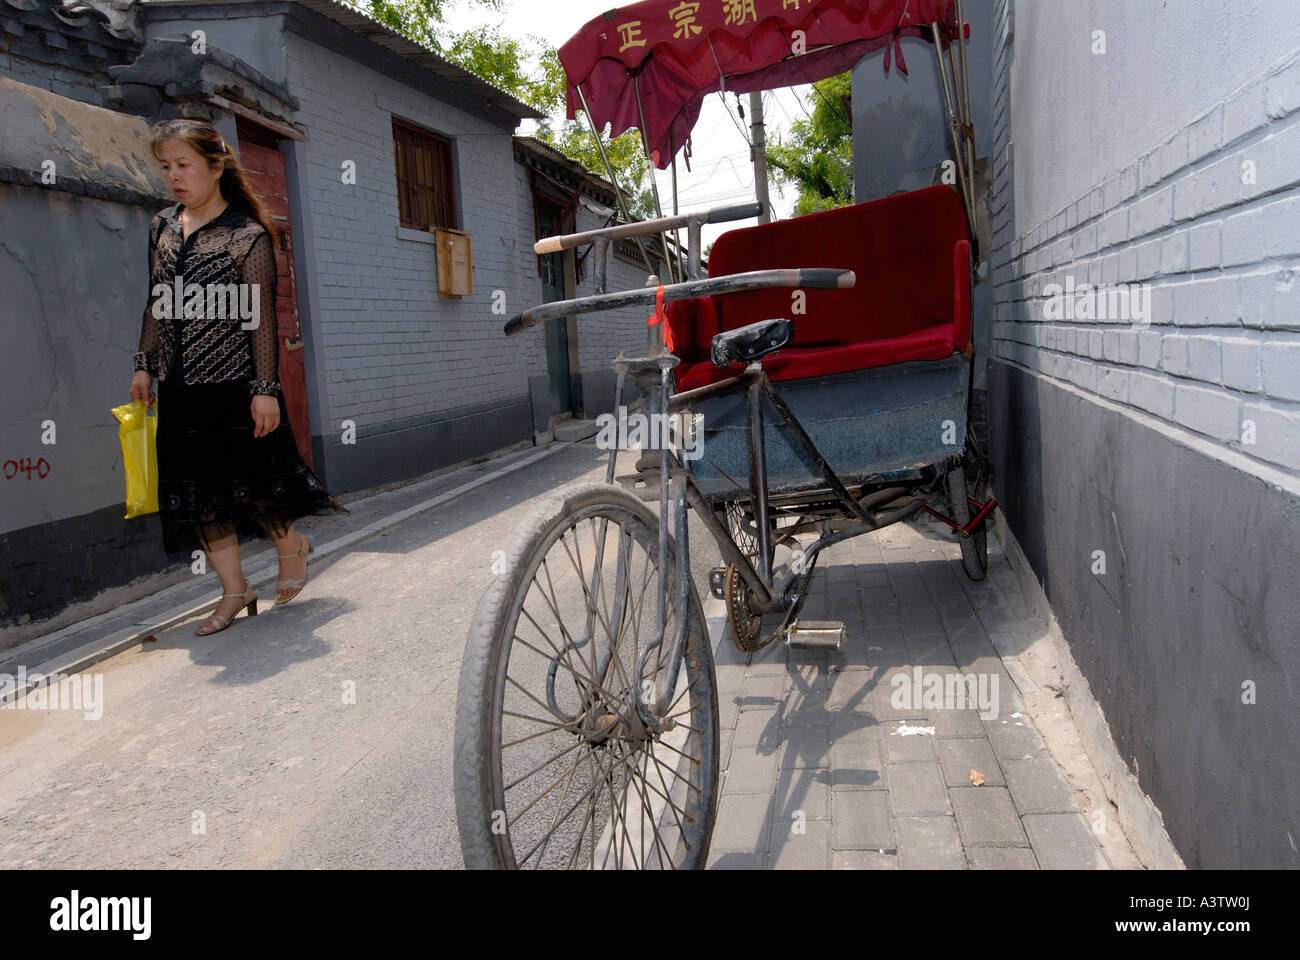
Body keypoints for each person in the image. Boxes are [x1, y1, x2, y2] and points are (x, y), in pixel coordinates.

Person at [129, 118, 347, 636]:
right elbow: (157, 303)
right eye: (166, 167)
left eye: (183, 165)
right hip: (180, 387)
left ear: (216, 166)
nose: (174, 176)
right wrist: (144, 364)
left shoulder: (245, 236)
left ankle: (290, 546)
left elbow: (260, 318)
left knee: (254, 485)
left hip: (235, 383)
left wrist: (265, 391)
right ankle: (234, 590)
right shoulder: (161, 226)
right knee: (200, 493)